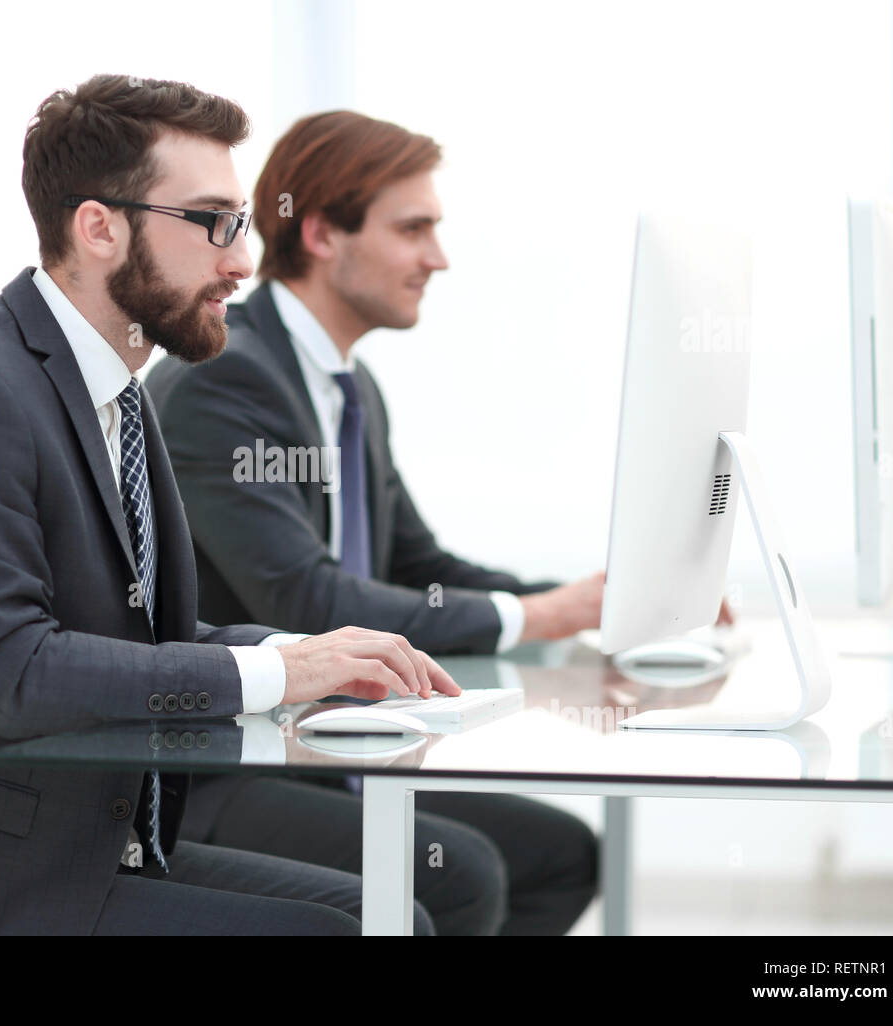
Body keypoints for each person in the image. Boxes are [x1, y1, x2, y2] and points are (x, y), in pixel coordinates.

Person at [0, 78, 461, 936]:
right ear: (99, 226)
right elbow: (18, 673)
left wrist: (307, 653)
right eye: (213, 224)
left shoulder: (114, 387)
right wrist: (277, 675)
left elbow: (130, 641)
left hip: (89, 844)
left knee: (391, 916)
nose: (240, 261)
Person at [147, 111, 605, 935]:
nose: (439, 256)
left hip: (324, 746)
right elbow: (313, 602)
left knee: (562, 852)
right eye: (413, 228)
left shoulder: (344, 388)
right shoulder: (225, 381)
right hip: (228, 768)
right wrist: (539, 618)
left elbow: (417, 563)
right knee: (461, 875)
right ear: (322, 233)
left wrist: (583, 599)